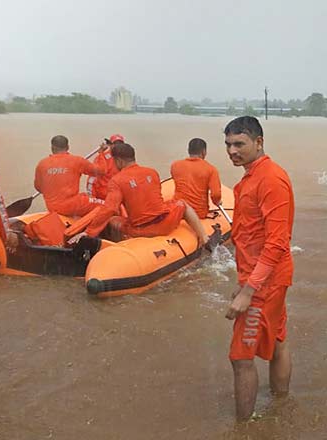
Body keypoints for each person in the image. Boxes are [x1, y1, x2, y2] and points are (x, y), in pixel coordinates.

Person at [222, 116, 295, 421]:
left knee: (240, 357)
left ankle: (242, 429)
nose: (231, 151)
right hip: (263, 278)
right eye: (227, 144)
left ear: (259, 142)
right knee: (278, 342)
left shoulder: (271, 179)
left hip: (265, 284)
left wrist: (249, 291)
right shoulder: (250, 177)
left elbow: (277, 242)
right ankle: (281, 408)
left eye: (239, 144)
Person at [68, 143, 210, 246]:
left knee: (112, 220)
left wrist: (89, 231)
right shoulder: (152, 172)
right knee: (183, 205)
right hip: (165, 223)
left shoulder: (116, 181)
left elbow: (109, 209)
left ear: (119, 160)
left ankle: (120, 247)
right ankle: (204, 237)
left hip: (141, 230)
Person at [34, 135, 105, 217]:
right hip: (72, 206)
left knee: (85, 196)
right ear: (67, 147)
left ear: (52, 148)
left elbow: (39, 188)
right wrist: (101, 154)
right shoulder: (77, 161)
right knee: (107, 205)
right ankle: (91, 229)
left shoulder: (42, 164)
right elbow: (101, 171)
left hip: (52, 207)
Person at [170, 138, 222, 219]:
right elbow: (216, 194)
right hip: (198, 213)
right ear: (204, 152)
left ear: (188, 150)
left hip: (177, 209)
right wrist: (218, 202)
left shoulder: (175, 165)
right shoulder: (211, 169)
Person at [86, 134, 125, 199]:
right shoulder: (102, 157)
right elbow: (92, 179)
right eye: (115, 143)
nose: (117, 146)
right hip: (103, 196)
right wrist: (92, 197)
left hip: (118, 195)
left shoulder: (126, 158)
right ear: (110, 145)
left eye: (120, 144)